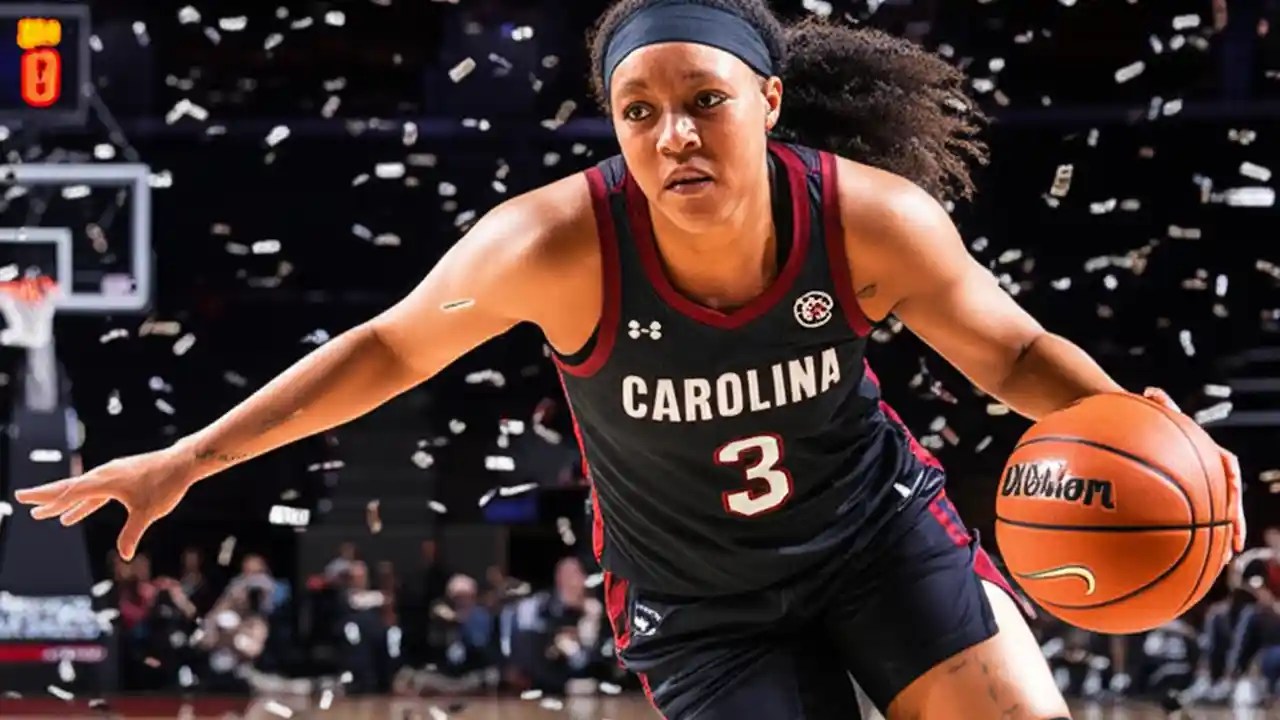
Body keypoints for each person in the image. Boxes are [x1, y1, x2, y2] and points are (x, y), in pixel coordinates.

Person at [14, 0, 1244, 717]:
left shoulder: (870, 219)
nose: (672, 136)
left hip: (877, 543)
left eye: (703, 101)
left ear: (767, 102)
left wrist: (1147, 435)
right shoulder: (553, 244)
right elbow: (388, 346)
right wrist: (190, 458)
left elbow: (1012, 352)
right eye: (638, 112)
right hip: (701, 605)